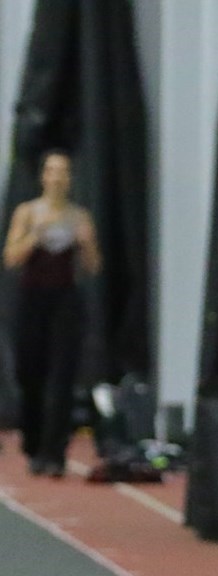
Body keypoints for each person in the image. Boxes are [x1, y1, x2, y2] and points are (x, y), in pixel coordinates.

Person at [3, 148, 102, 477]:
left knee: (62, 376)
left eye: (64, 172)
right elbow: (11, 259)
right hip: (32, 299)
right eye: (52, 171)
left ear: (70, 179)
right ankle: (33, 441)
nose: (58, 178)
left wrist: (86, 244)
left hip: (65, 301)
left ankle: (54, 452)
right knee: (31, 373)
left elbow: (92, 266)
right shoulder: (27, 213)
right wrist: (35, 235)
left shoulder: (79, 217)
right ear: (44, 176)